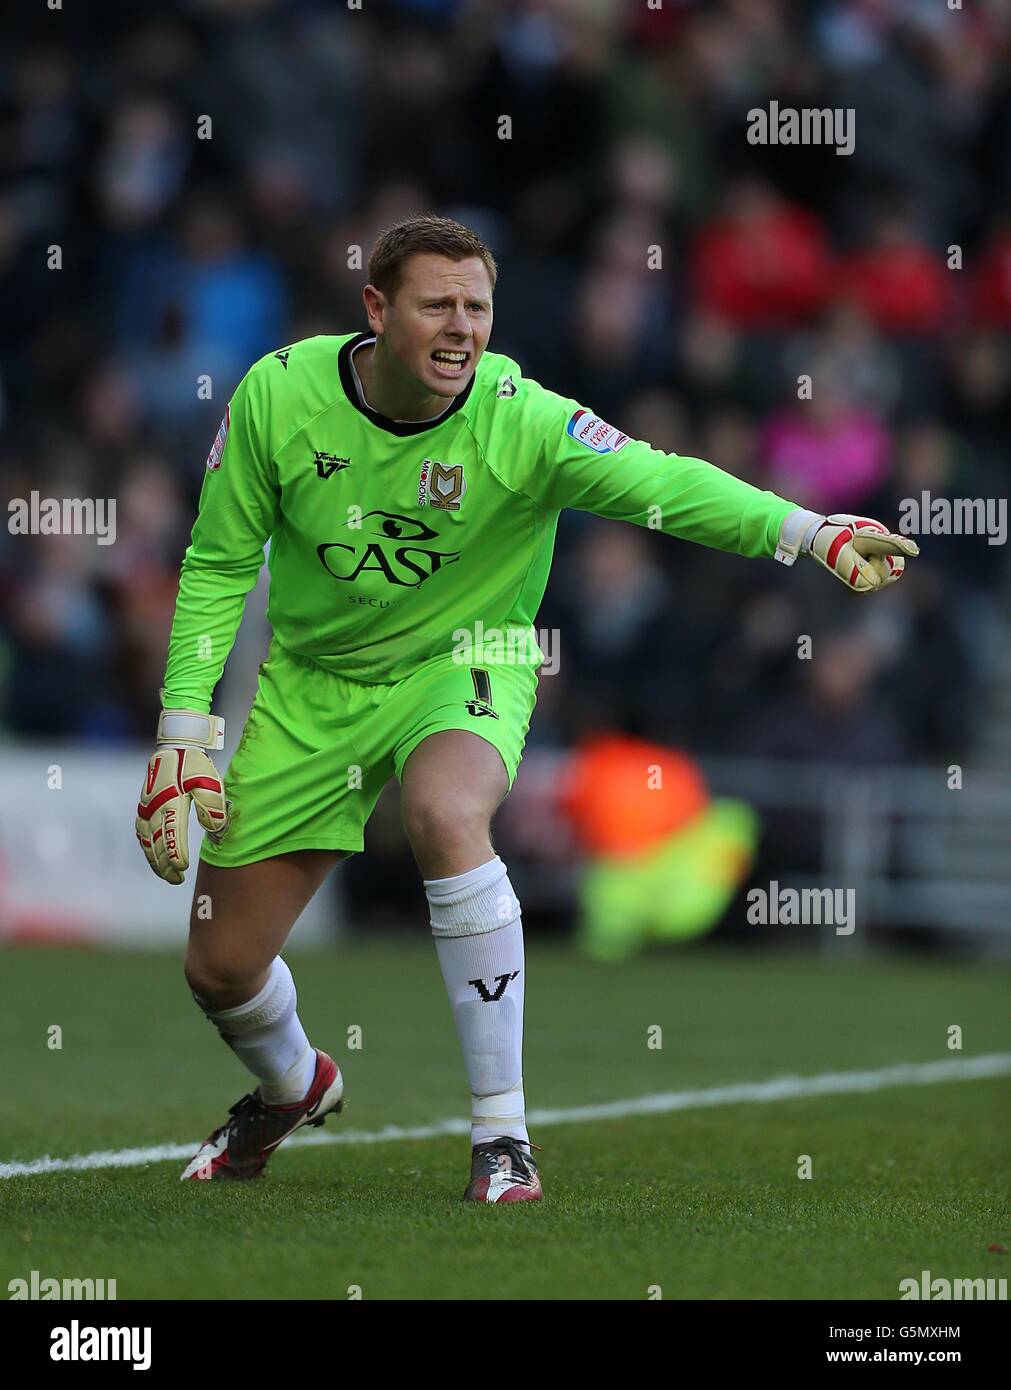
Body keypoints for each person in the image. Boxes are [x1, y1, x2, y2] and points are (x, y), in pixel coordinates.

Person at [136, 215, 918, 1202]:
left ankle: (502, 1134)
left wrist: (808, 531)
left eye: (477, 306)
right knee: (220, 967)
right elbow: (215, 562)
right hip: (313, 684)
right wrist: (183, 730)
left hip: (464, 660)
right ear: (377, 309)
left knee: (446, 812)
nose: (463, 327)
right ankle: (294, 1085)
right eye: (438, 305)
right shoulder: (277, 395)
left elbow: (662, 482)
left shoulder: (522, 417)